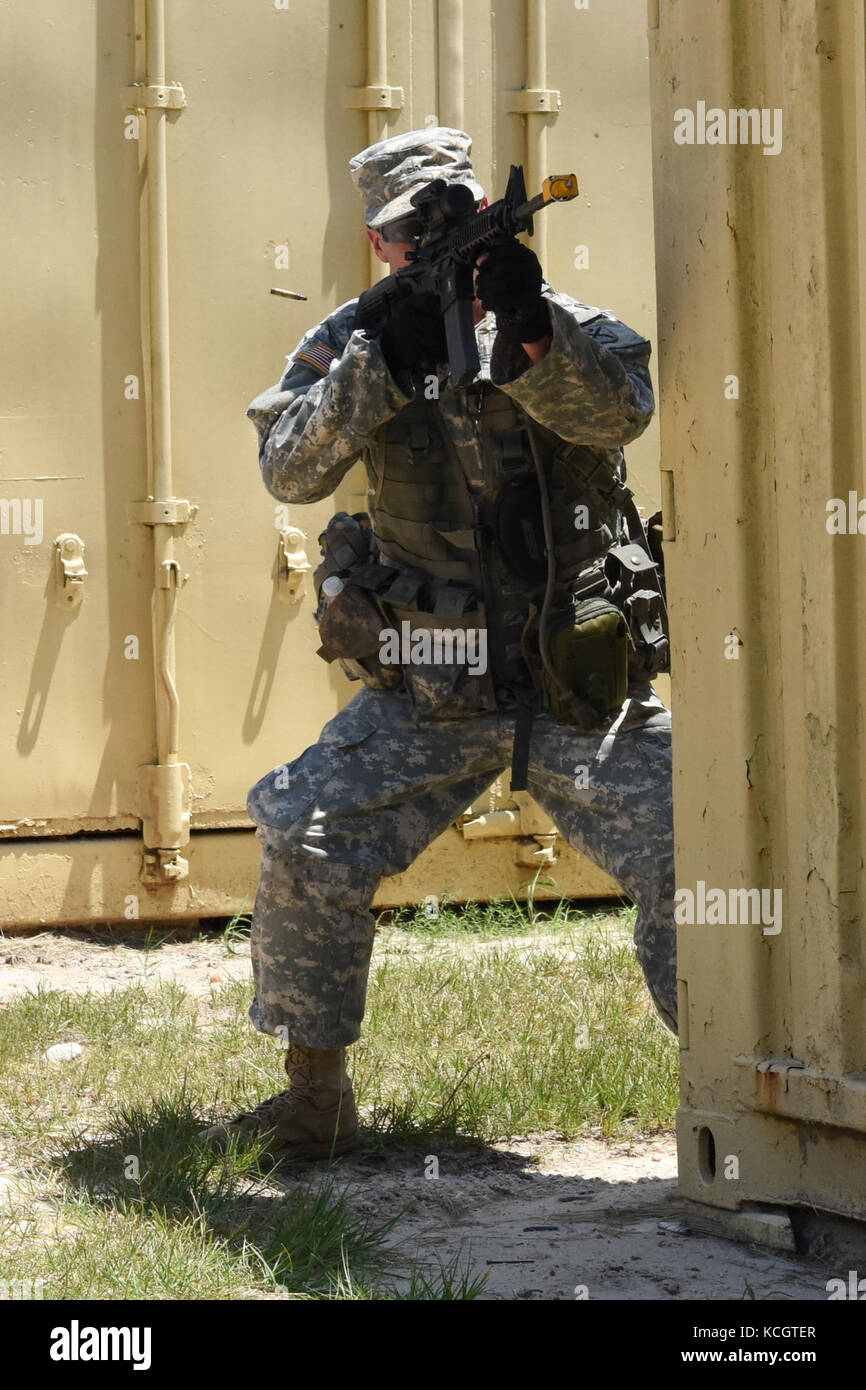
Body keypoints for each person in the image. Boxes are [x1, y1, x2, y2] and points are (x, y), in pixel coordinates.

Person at [200, 128, 676, 1161]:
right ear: (377, 244)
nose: (420, 242)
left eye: (438, 216)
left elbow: (620, 413)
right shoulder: (354, 335)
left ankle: (732, 1096)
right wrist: (377, 361)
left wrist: (532, 333)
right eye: (402, 230)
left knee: (702, 851)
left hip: (574, 682)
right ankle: (312, 1105)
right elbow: (288, 470)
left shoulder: (548, 313)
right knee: (302, 831)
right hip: (431, 688)